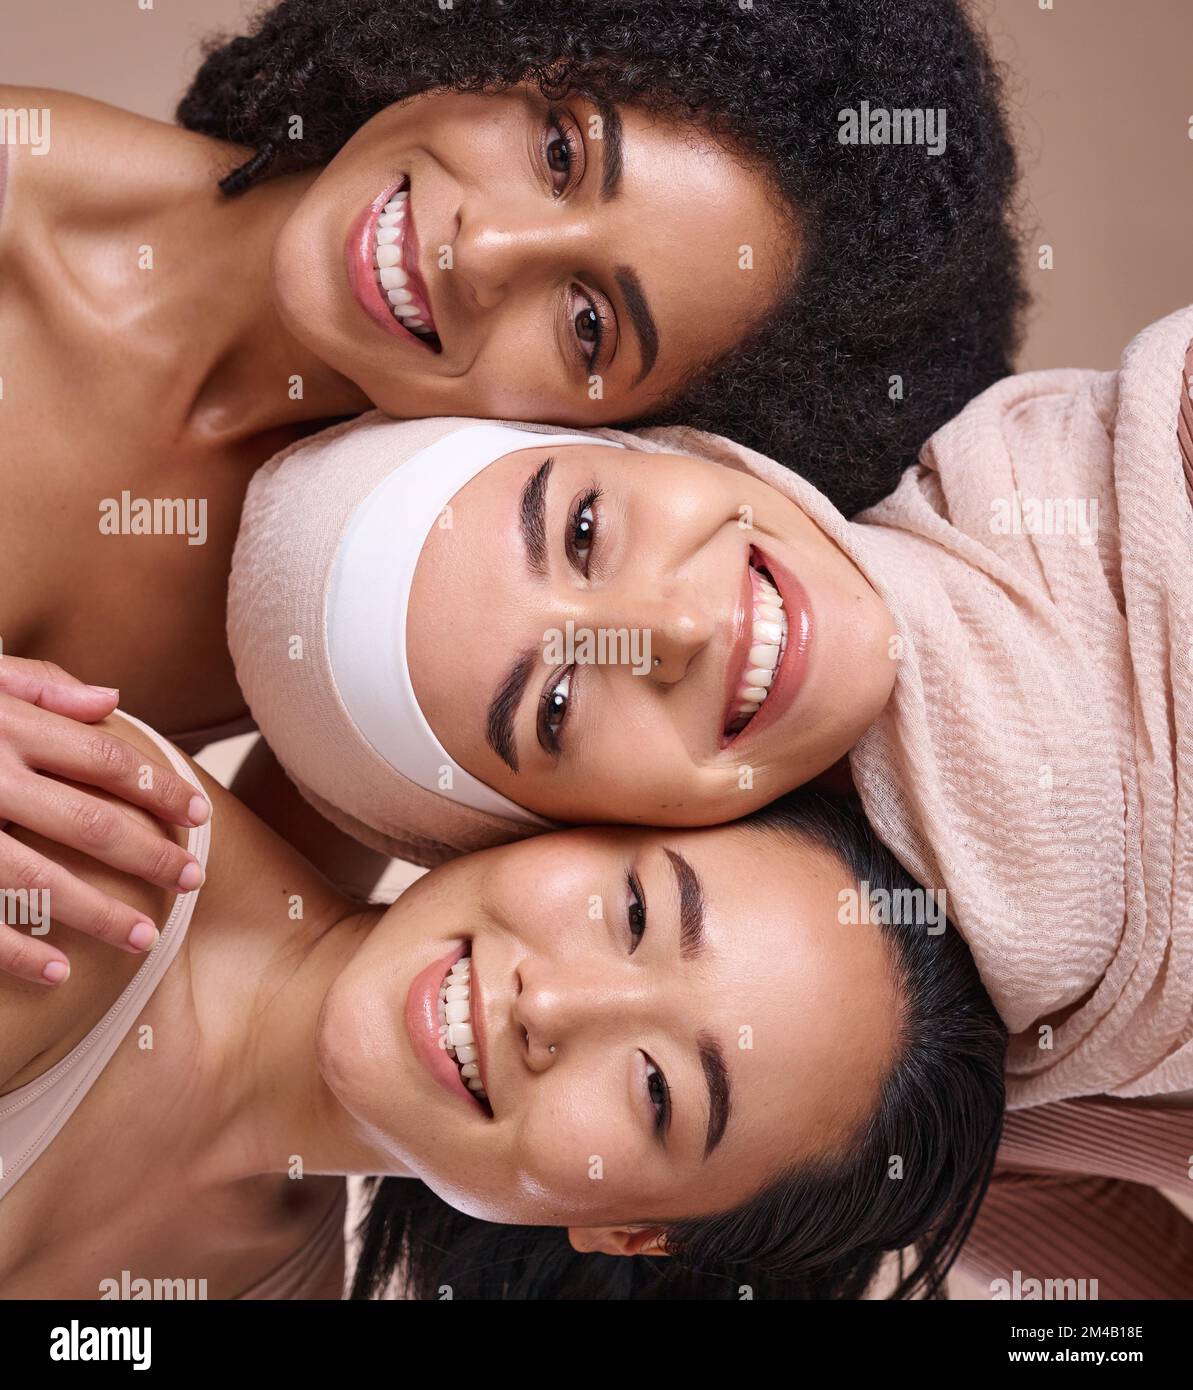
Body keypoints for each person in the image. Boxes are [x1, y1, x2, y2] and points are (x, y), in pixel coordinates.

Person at [0, 713, 1007, 1300]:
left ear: (629, 1229)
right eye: (632, 909)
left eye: (656, 1091)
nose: (556, 1004)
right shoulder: (83, 869)